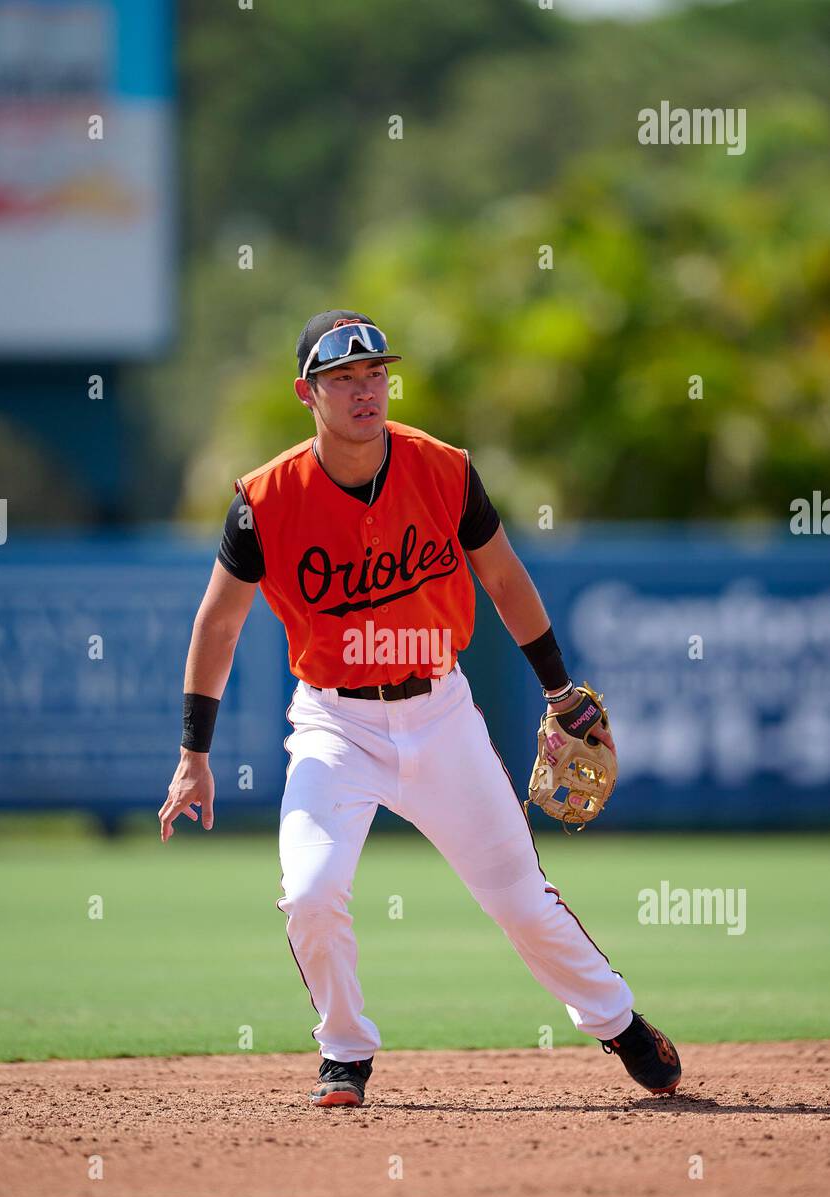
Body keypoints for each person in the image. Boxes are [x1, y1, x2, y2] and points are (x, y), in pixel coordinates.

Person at [158, 310, 682, 1106]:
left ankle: (619, 1023)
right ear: (309, 393)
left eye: (374, 374)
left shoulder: (443, 470)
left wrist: (559, 687)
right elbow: (218, 622)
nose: (365, 391)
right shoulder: (265, 500)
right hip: (335, 725)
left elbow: (504, 580)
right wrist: (195, 755)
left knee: (521, 903)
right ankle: (344, 1052)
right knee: (310, 891)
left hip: (440, 714)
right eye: (343, 379)